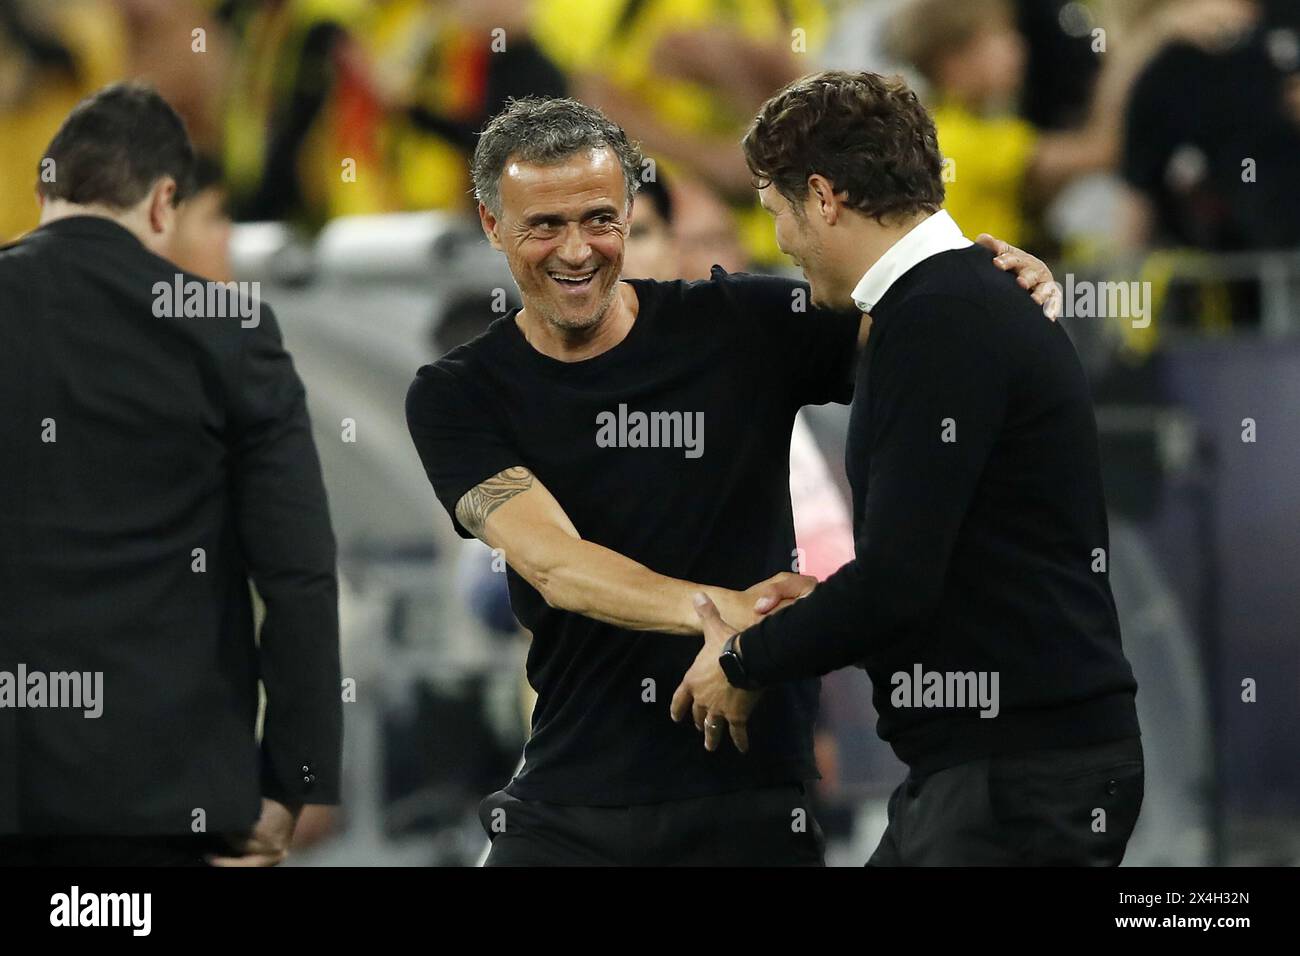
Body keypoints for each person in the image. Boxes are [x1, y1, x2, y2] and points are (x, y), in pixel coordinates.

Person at [405, 94, 1057, 866]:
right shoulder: (459, 392)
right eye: (544, 226)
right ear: (491, 226)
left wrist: (999, 285)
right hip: (572, 800)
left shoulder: (743, 323)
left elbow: (927, 325)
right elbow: (555, 563)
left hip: (754, 800)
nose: (577, 251)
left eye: (601, 220)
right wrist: (737, 619)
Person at [672, 71, 1144, 866]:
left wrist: (745, 660)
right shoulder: (941, 305)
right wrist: (817, 605)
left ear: (822, 196)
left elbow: (898, 582)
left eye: (775, 212)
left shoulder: (939, 317)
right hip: (1000, 769)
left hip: (1017, 777)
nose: (779, 242)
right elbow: (953, 556)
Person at [0, 83, 341, 866]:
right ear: (162, 203)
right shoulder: (230, 333)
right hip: (168, 798)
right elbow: (298, 577)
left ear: (46, 188)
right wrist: (294, 782)